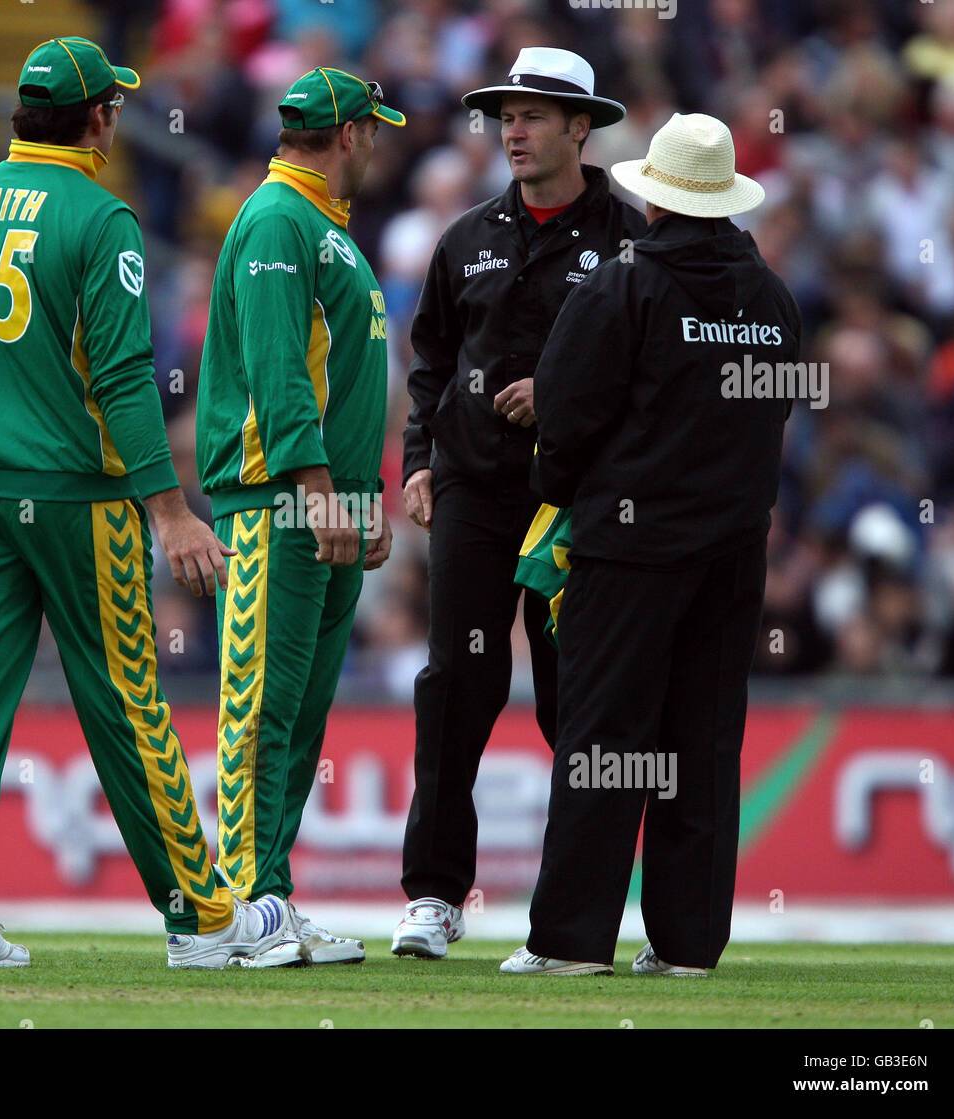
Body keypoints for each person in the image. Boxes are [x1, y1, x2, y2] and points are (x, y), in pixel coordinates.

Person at [0, 37, 291, 970]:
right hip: (73, 495)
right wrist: (170, 513)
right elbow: (123, 379)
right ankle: (201, 918)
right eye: (113, 106)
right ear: (99, 119)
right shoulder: (102, 216)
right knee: (125, 701)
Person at [500, 113, 800, 976]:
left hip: (627, 556)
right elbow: (773, 417)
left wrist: (560, 492)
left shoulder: (623, 287)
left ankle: (570, 941)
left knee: (604, 742)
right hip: (733, 555)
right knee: (702, 746)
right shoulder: (770, 296)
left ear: (656, 199)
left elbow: (564, 417)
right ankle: (689, 943)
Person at [392, 47, 645, 958]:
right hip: (474, 492)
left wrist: (564, 393)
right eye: (506, 112)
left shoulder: (632, 238)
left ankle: (578, 910)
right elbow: (429, 365)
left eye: (535, 114)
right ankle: (433, 895)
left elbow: (653, 373)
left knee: (574, 705)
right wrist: (419, 459)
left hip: (578, 503)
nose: (514, 128)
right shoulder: (466, 238)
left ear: (583, 126)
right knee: (455, 686)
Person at [195, 67, 403, 967]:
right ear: (348, 134)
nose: (381, 145)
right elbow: (280, 372)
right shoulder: (281, 220)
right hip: (277, 503)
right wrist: (321, 491)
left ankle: (271, 893)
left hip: (326, 506)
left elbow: (345, 389)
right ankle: (243, 903)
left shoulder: (324, 228)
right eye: (374, 129)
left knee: (300, 715)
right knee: (259, 707)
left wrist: (363, 496)